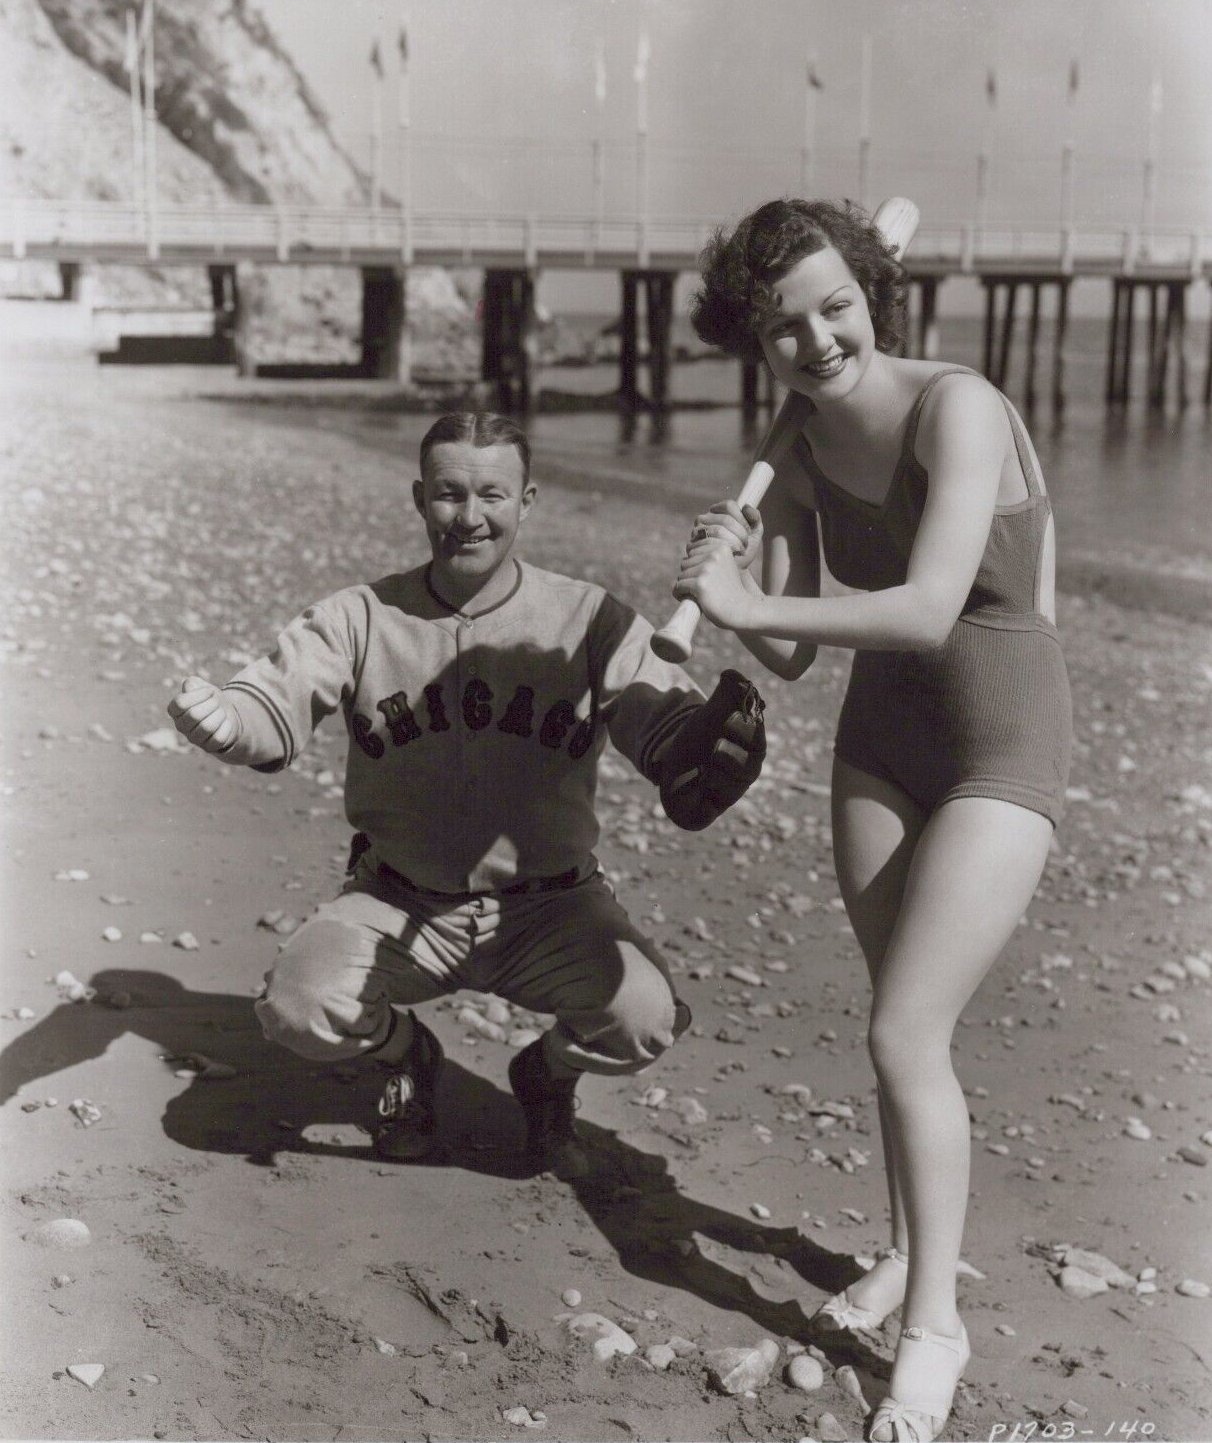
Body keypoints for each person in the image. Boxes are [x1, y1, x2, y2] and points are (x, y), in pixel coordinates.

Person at [674, 200, 1071, 1443]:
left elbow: (931, 608)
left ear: (873, 296)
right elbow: (794, 655)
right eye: (785, 326)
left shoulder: (959, 408)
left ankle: (935, 1332)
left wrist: (739, 601)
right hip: (882, 748)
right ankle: (912, 1255)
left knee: (907, 1032)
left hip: (1003, 739)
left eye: (836, 307)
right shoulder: (791, 447)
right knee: (899, 1032)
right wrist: (734, 581)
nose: (819, 341)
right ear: (755, 340)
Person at [167, 411, 765, 1184]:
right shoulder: (360, 616)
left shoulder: (588, 617)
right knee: (295, 1007)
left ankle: (545, 1076)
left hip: (549, 906)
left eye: (492, 494)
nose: (470, 516)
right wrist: (230, 723)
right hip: (397, 902)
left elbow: (671, 729)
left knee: (643, 1020)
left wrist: (708, 749)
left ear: (528, 500)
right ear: (420, 498)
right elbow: (270, 709)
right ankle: (406, 1056)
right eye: (449, 494)